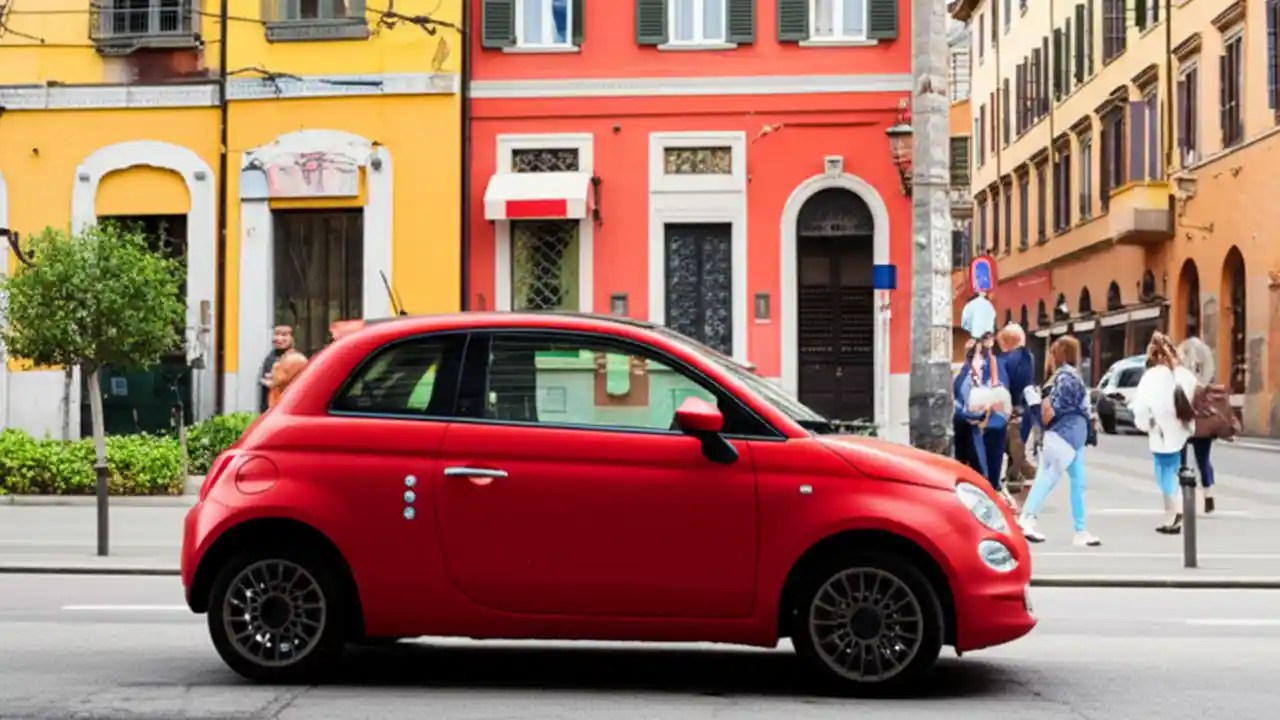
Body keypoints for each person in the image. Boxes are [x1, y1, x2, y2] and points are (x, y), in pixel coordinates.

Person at [1017, 335, 1100, 546]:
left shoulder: (1061, 377)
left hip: (1066, 436)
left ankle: (1080, 530)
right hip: (1067, 435)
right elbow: (1053, 409)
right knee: (1051, 477)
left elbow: (1049, 410)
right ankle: (1027, 518)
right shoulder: (1069, 377)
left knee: (1070, 480)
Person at [1130, 332, 1199, 533]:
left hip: (1159, 431)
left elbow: (1141, 407)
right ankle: (1170, 516)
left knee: (1163, 474)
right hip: (1177, 431)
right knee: (1173, 469)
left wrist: (1143, 423)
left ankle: (1175, 509)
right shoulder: (1180, 374)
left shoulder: (1150, 377)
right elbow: (1192, 392)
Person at [954, 334, 1015, 505]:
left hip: (981, 428)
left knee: (980, 477)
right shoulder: (991, 368)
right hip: (985, 427)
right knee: (987, 478)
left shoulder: (966, 373)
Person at [1178, 338, 1218, 514]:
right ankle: (1209, 494)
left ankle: (1182, 496)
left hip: (1184, 422)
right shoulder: (1207, 377)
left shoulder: (1181, 378)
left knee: (1180, 460)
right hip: (1203, 423)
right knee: (1203, 459)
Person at [997, 323, 1037, 492]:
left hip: (1011, 408)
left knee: (1011, 443)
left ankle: (1019, 469)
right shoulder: (1026, 358)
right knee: (1016, 445)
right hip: (1022, 409)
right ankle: (1020, 469)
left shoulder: (1007, 359)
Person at [260, 325, 308, 409]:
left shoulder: (298, 359)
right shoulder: (270, 358)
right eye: (276, 334)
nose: (279, 338)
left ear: (292, 338)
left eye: (284, 335)